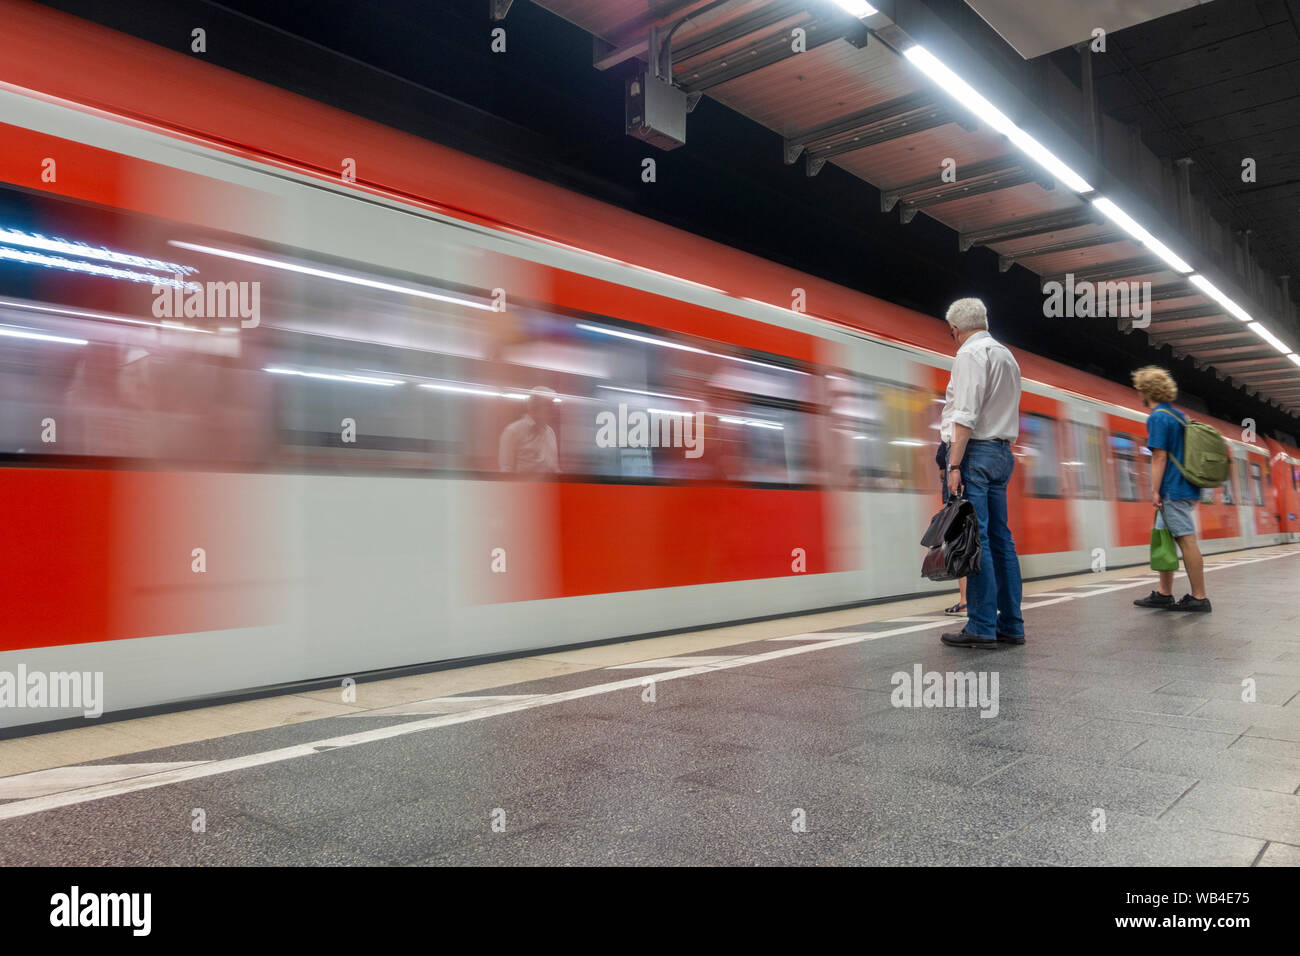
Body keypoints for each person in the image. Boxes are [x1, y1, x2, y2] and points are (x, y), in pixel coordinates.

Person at [938, 298, 1025, 649]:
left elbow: (966, 414)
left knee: (978, 540)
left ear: (955, 330)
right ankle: (1012, 625)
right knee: (1001, 540)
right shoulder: (1007, 355)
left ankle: (982, 626)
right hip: (1002, 453)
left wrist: (954, 465)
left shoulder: (968, 355)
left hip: (975, 453)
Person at [1130, 367, 1212, 612]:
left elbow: (1159, 457)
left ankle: (1199, 597)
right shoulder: (1179, 415)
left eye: (1139, 389)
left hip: (1172, 490)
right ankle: (1164, 594)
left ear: (1146, 390)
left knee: (1186, 540)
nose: (1138, 393)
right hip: (1186, 486)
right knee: (1163, 537)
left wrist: (1155, 491)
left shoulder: (1157, 417)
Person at [935, 428, 968, 616]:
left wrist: (951, 468)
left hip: (958, 488)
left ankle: (966, 600)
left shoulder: (952, 431)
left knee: (961, 541)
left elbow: (943, 459)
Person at [498, 386, 560, 474]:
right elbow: (506, 471)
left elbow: (554, 468)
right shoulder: (513, 431)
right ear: (535, 406)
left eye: (553, 405)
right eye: (548, 405)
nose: (553, 409)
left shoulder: (550, 432)